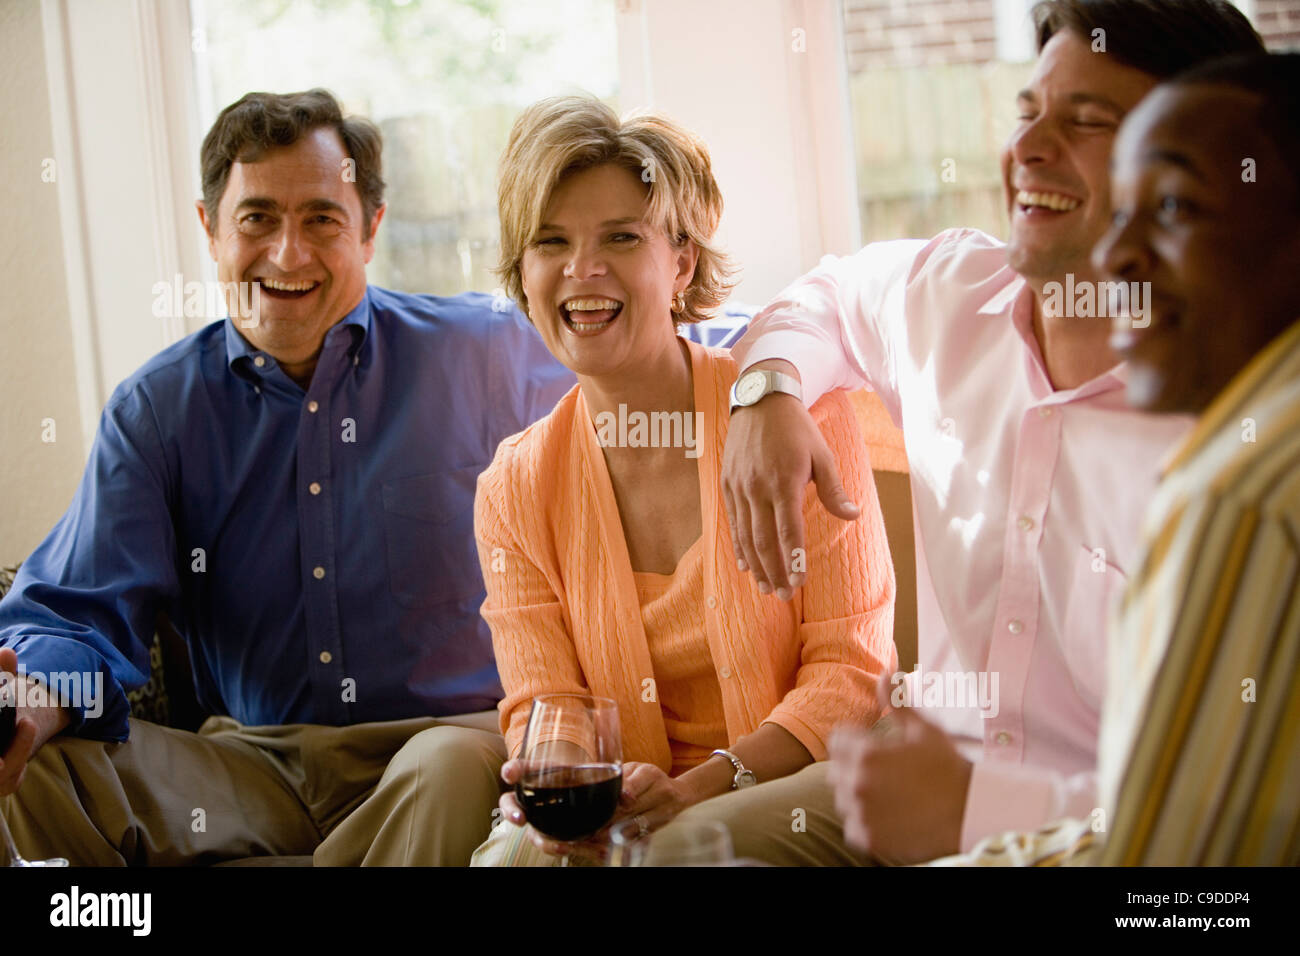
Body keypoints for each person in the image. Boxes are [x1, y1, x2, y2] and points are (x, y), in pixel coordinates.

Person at [685, 0, 1265, 865]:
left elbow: (1223, 815)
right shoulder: (949, 293)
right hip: (902, 781)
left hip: (1102, 841)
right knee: (690, 851)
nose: (1028, 148)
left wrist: (979, 810)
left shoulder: (1239, 431)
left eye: (1085, 121)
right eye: (1029, 112)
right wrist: (767, 392)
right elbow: (828, 295)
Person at [0, 89, 576, 866]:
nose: (288, 254)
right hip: (253, 765)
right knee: (34, 772)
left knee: (447, 769)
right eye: (257, 218)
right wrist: (25, 707)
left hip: (443, 750)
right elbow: (75, 614)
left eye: (321, 220)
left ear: (371, 229)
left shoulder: (485, 353)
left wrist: (766, 389)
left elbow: (666, 351)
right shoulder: (158, 410)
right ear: (209, 229)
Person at [469, 95, 895, 865]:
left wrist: (715, 782)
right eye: (551, 241)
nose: (582, 269)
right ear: (523, 274)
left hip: (807, 779)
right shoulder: (515, 484)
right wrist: (565, 771)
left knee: (680, 850)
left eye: (621, 238)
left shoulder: (792, 416)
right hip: (635, 801)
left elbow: (852, 673)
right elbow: (548, 700)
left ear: (682, 264)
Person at [918, 51, 1300, 866]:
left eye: (1170, 206)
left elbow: (1174, 890)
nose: (1117, 256)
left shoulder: (1239, 496)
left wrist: (971, 830)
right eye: (1121, 210)